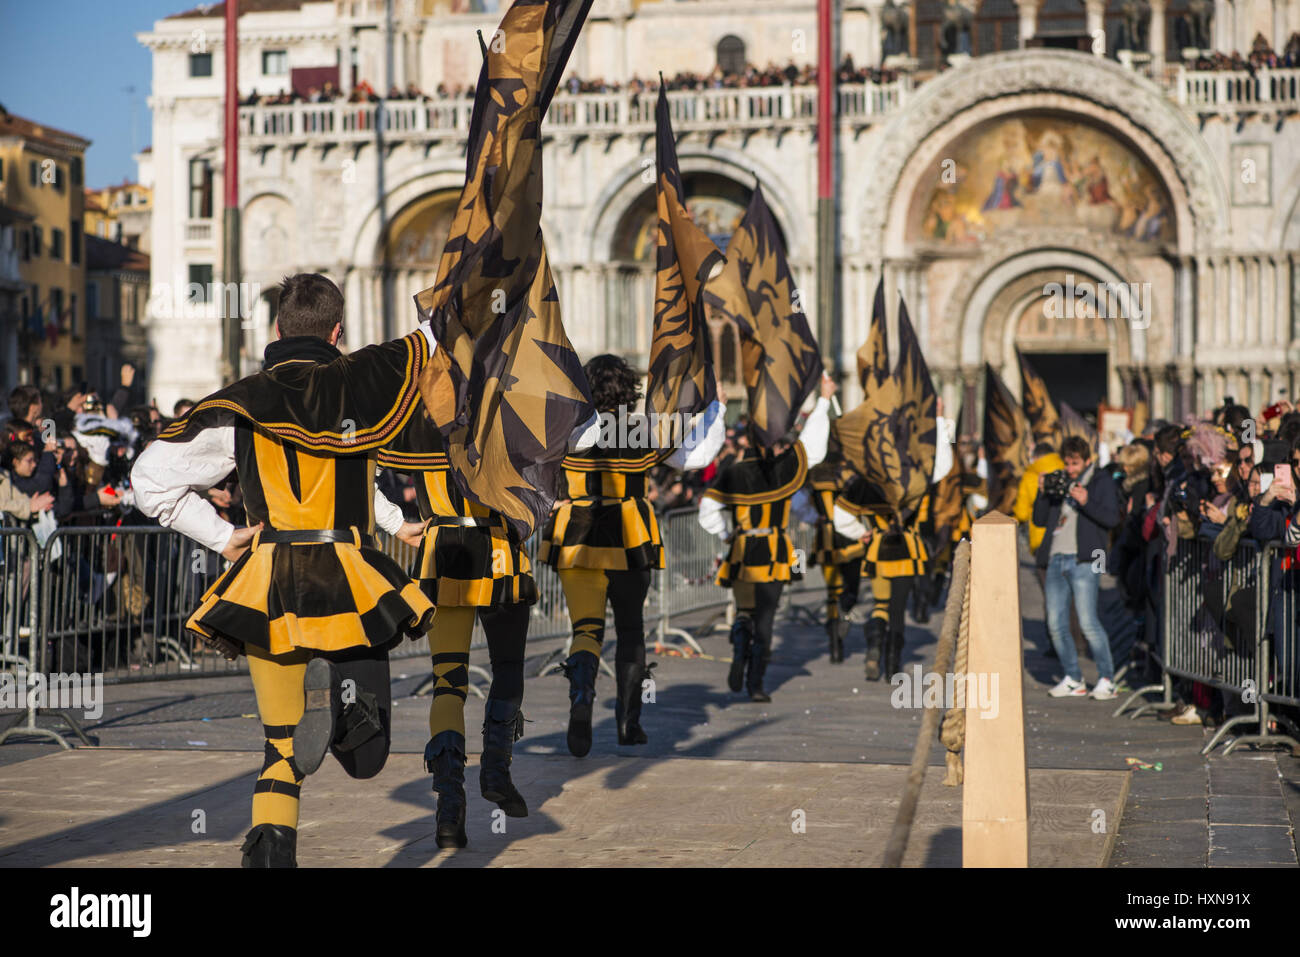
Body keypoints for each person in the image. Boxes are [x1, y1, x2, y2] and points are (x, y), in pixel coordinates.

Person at [132, 273, 435, 867]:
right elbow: (436, 335)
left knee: (277, 745)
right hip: (347, 575)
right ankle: (340, 699)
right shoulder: (366, 385)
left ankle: (270, 854)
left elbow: (149, 481)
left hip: (270, 577)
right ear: (338, 330)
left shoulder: (240, 403)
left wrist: (223, 537)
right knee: (370, 756)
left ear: (276, 328)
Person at [540, 355, 726, 754]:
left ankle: (582, 700)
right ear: (630, 388)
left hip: (579, 535)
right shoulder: (645, 430)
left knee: (586, 630)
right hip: (630, 535)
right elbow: (698, 455)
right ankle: (629, 723)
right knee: (631, 630)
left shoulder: (564, 428)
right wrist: (716, 408)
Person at [698, 376, 836, 701]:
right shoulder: (784, 469)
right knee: (766, 619)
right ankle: (756, 684)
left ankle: (738, 653)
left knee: (744, 611)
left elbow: (707, 508)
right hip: (774, 551)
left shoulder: (732, 471)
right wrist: (825, 401)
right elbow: (813, 450)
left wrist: (725, 532)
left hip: (744, 549)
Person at [1032, 434, 1123, 699]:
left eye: (1075, 464)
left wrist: (1086, 501)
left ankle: (1107, 678)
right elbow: (1038, 520)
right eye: (1067, 463)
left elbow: (1111, 518)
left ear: (1087, 460)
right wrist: (1042, 492)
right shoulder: (1060, 481)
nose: (1070, 469)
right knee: (1055, 623)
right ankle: (1073, 677)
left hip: (1088, 557)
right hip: (1056, 556)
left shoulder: (1101, 481)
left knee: (1088, 621)